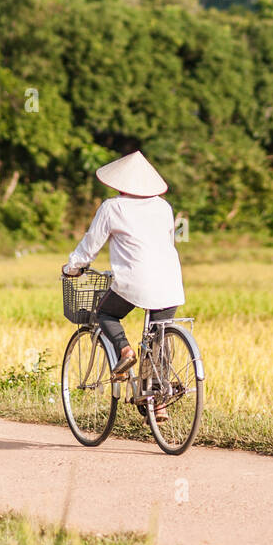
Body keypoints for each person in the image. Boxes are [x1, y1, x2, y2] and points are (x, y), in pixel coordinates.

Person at [62, 150, 184, 418]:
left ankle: (124, 349)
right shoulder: (164, 207)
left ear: (120, 184)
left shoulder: (112, 207)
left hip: (134, 281)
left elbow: (90, 246)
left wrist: (73, 268)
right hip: (170, 282)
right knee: (158, 338)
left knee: (105, 313)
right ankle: (158, 402)